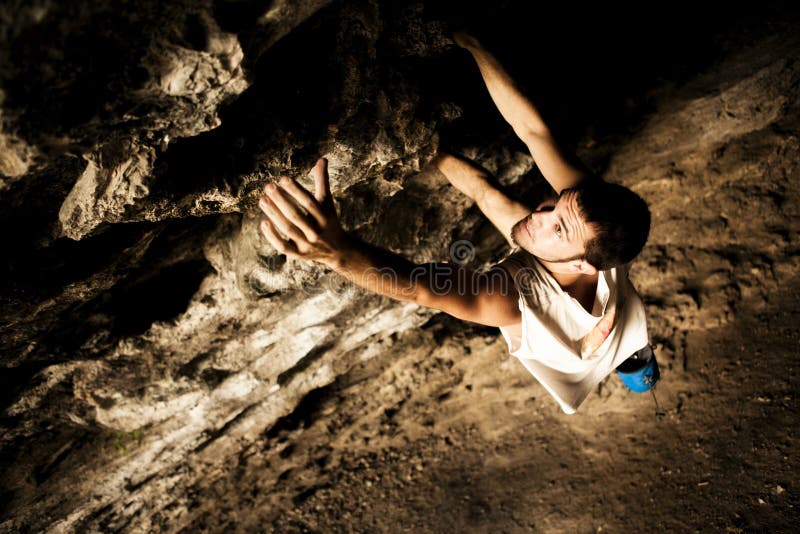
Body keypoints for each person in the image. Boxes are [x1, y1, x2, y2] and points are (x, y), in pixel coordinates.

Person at [257, 32, 651, 414]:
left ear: (582, 265)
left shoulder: (515, 302)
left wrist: (336, 252)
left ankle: (634, 361)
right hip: (607, 300)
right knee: (496, 200)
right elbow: (533, 132)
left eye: (558, 228)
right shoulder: (589, 219)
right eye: (553, 207)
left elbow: (420, 288)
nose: (540, 216)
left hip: (575, 356)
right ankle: (629, 348)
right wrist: (472, 41)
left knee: (625, 351)